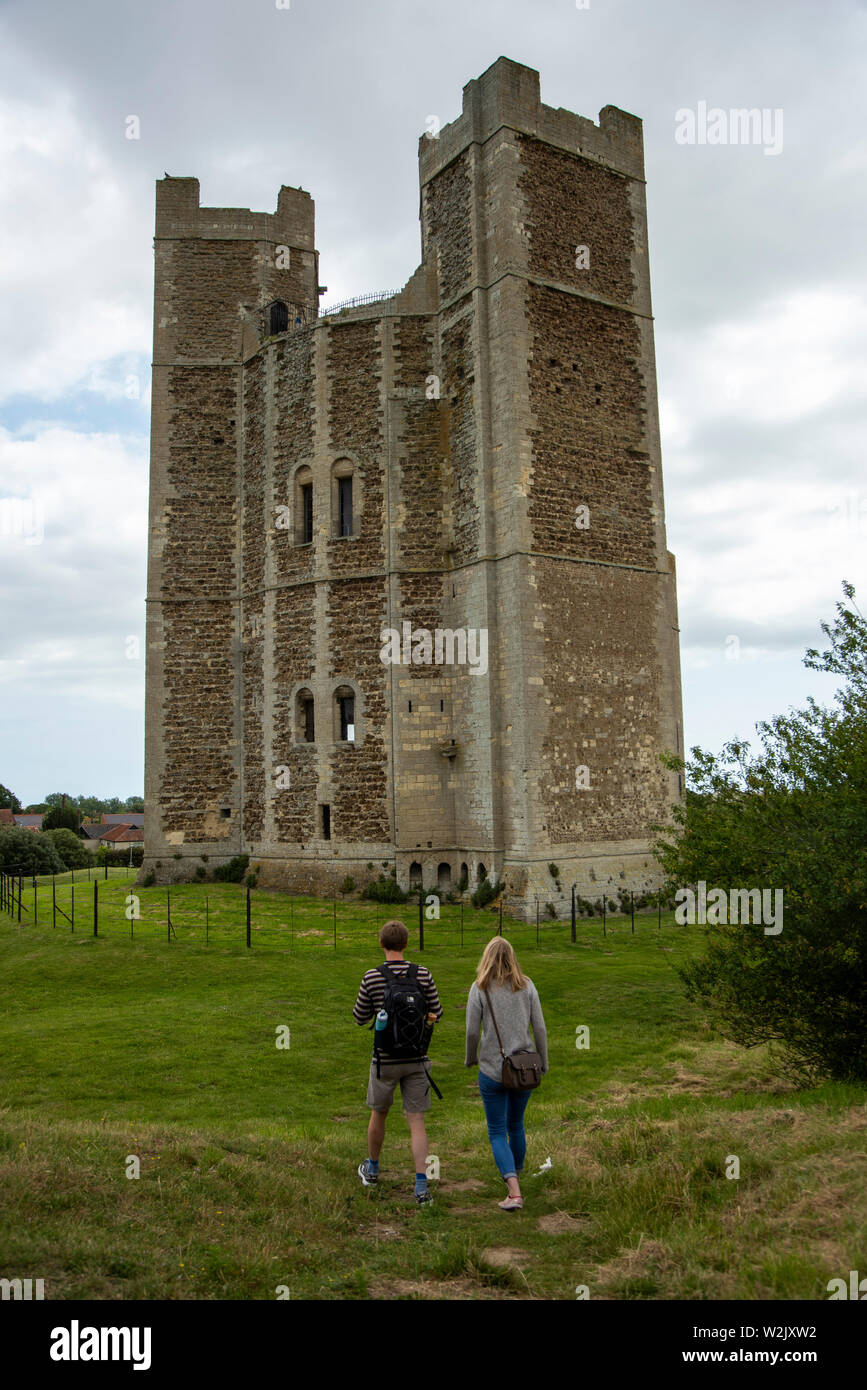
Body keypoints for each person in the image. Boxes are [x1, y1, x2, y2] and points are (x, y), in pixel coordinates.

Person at [353, 919, 443, 1204]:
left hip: (385, 1059)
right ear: (406, 944)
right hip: (416, 1058)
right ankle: (421, 1186)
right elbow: (437, 1012)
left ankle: (373, 1168)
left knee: (378, 1114)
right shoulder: (423, 974)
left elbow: (359, 1017)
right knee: (417, 1123)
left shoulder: (372, 977)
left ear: (381, 944)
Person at [465, 936, 548, 1211]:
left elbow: (472, 1031)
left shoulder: (480, 989)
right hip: (524, 1068)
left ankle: (514, 1191)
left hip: (492, 1069)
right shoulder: (527, 986)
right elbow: (539, 1029)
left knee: (498, 1131)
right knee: (516, 1125)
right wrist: (543, 1062)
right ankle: (516, 1173)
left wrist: (470, 1058)